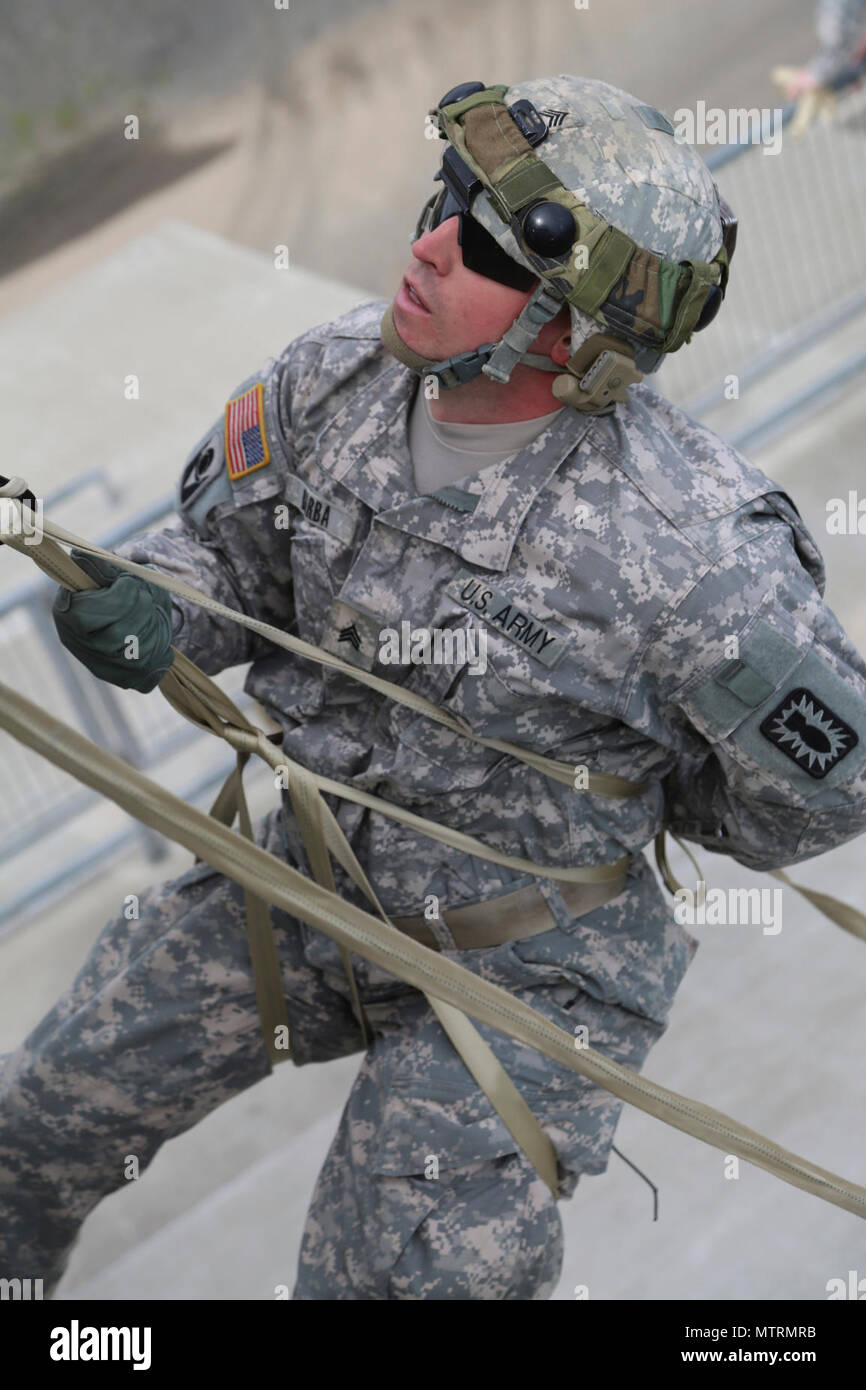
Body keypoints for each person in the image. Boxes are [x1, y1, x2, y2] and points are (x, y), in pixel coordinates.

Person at [3, 75, 866, 1302]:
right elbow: (226, 553)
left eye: (477, 245)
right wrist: (155, 605)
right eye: (442, 202)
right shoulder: (331, 378)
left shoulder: (695, 560)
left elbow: (827, 791)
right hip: (304, 878)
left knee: (400, 1283)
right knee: (32, 1129)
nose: (423, 247)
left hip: (527, 959)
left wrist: (640, 812)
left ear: (570, 336)